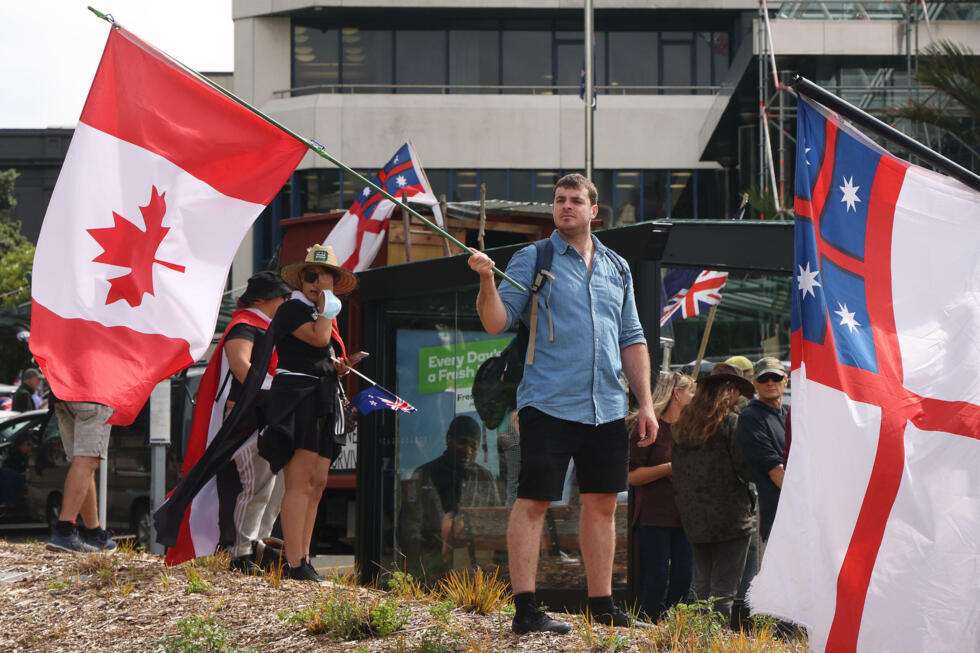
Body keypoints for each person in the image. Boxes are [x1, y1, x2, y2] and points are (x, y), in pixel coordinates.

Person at [467, 173, 657, 634]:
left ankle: (602, 605)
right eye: (559, 200)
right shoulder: (534, 257)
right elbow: (496, 322)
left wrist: (647, 404)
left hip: (607, 406)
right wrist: (487, 280)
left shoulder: (618, 267)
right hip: (547, 402)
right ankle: (526, 610)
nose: (566, 206)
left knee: (603, 504)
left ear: (594, 211)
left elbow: (632, 338)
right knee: (533, 502)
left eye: (575, 200)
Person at [167, 271, 293, 571]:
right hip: (248, 417)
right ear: (263, 299)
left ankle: (257, 544)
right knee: (256, 484)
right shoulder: (244, 325)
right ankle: (242, 552)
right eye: (283, 296)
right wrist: (273, 393)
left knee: (273, 485)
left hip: (265, 414)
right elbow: (239, 364)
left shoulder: (264, 326)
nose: (287, 301)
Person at [259, 244, 358, 581]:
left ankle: (304, 558)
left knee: (317, 483)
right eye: (312, 276)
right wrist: (329, 303)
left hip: (323, 398)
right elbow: (318, 339)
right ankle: (295, 562)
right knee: (300, 482)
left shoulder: (321, 313)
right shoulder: (292, 309)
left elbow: (320, 350)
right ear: (301, 280)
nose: (317, 282)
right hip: (297, 399)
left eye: (325, 277)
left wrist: (338, 367)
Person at [671, 363, 755, 623]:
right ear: (729, 390)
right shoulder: (730, 422)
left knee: (702, 586)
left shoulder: (683, 424)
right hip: (731, 516)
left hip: (694, 516)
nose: (738, 396)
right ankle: (714, 639)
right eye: (737, 390)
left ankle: (697, 638)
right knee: (724, 590)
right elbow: (746, 468)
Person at [629, 371, 695, 622]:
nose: (696, 398)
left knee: (684, 577)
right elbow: (632, 476)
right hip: (654, 516)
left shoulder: (691, 430)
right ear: (677, 394)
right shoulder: (649, 427)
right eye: (692, 392)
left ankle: (673, 629)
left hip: (686, 516)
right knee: (656, 576)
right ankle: (646, 626)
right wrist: (669, 468)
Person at [401, 416, 501, 575]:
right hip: (430, 565)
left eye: (473, 446)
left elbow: (496, 523)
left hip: (475, 567)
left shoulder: (485, 478)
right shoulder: (422, 475)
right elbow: (409, 528)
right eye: (462, 442)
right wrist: (432, 551)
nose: (467, 450)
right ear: (449, 440)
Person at [46, 400, 116, 553]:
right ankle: (64, 530)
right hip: (94, 397)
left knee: (82, 462)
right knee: (87, 460)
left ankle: (94, 532)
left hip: (64, 395)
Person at [736, 357, 789, 544]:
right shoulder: (750, 417)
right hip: (779, 521)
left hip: (804, 518)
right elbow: (774, 470)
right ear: (754, 383)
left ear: (785, 380)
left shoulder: (791, 413)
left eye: (775, 377)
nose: (770, 383)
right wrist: (806, 500)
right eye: (763, 378)